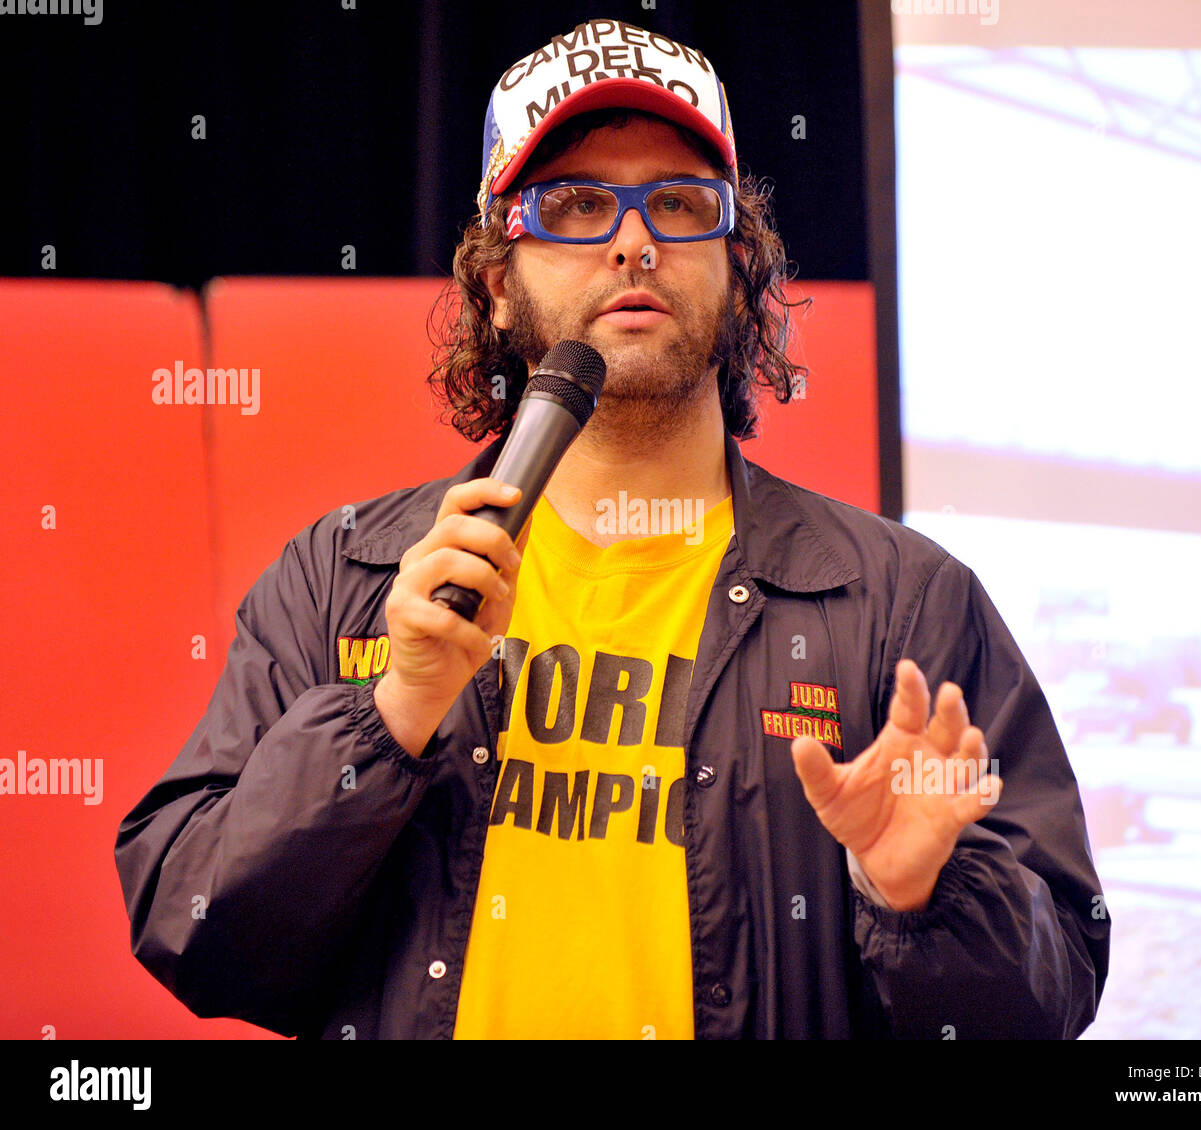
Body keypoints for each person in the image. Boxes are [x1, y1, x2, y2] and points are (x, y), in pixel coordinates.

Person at [115, 18, 1109, 1039]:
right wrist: (391, 712)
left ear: (737, 267)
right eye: (577, 205)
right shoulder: (348, 574)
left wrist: (919, 896)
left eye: (679, 204)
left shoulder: (902, 599)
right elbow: (199, 933)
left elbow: (1048, 995)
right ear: (498, 282)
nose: (633, 239)